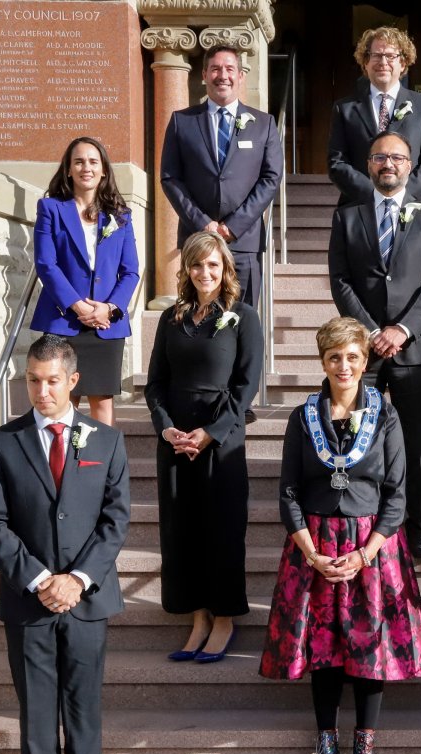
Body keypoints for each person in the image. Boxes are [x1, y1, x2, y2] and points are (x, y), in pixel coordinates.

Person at [259, 316, 421, 754]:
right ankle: (327, 752)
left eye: (353, 356)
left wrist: (366, 552)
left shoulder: (386, 414)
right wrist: (312, 554)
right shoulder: (303, 416)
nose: (344, 365)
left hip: (370, 547)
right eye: (335, 356)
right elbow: (289, 492)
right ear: (323, 361)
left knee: (368, 651)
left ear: (365, 360)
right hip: (314, 546)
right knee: (325, 652)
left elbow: (398, 494)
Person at [0, 334, 129, 754]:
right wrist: (41, 578)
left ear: (73, 381)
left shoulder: (106, 441)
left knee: (83, 714)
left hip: (86, 602)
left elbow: (115, 522)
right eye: (33, 381)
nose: (41, 391)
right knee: (38, 716)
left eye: (51, 381)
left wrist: (78, 579)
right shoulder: (0, 443)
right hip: (29, 602)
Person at [329, 131, 421, 561]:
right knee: (358, 437)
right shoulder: (347, 217)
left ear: (410, 165)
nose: (389, 164)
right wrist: (369, 331)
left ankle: (419, 529)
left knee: (417, 445)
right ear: (368, 164)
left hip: (414, 349)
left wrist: (401, 330)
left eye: (397, 157)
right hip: (362, 353)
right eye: (380, 156)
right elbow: (340, 280)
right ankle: (366, 521)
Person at [144, 231, 263, 662]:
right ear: (187, 270)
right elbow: (156, 382)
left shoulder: (243, 316)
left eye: (213, 264)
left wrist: (211, 432)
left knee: (222, 529)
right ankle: (197, 617)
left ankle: (225, 617)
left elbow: (246, 385)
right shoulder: (170, 318)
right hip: (175, 440)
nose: (205, 272)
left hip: (222, 440)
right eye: (197, 265)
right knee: (182, 532)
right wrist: (166, 428)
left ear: (225, 267)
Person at [160, 44, 284, 310]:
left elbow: (271, 178)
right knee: (198, 315)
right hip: (197, 240)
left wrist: (233, 226)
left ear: (241, 76)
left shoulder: (264, 124)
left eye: (229, 69)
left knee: (243, 317)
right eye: (215, 69)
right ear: (204, 74)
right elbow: (170, 178)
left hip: (244, 241)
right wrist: (202, 223)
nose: (222, 75)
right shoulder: (182, 121)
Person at [31, 136, 140, 426]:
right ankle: (63, 466)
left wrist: (109, 308)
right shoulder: (51, 209)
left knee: (102, 403)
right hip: (63, 320)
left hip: (106, 324)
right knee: (62, 402)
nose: (86, 167)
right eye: (78, 161)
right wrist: (78, 306)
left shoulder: (120, 216)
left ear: (104, 170)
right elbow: (45, 263)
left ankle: (101, 469)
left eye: (93, 161)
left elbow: (131, 271)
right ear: (68, 169)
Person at [328, 26, 421, 205]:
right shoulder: (344, 109)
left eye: (391, 56)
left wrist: (400, 195)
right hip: (359, 208)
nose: (383, 62)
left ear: (403, 63)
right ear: (365, 62)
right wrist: (374, 195)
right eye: (376, 55)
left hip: (411, 208)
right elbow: (337, 162)